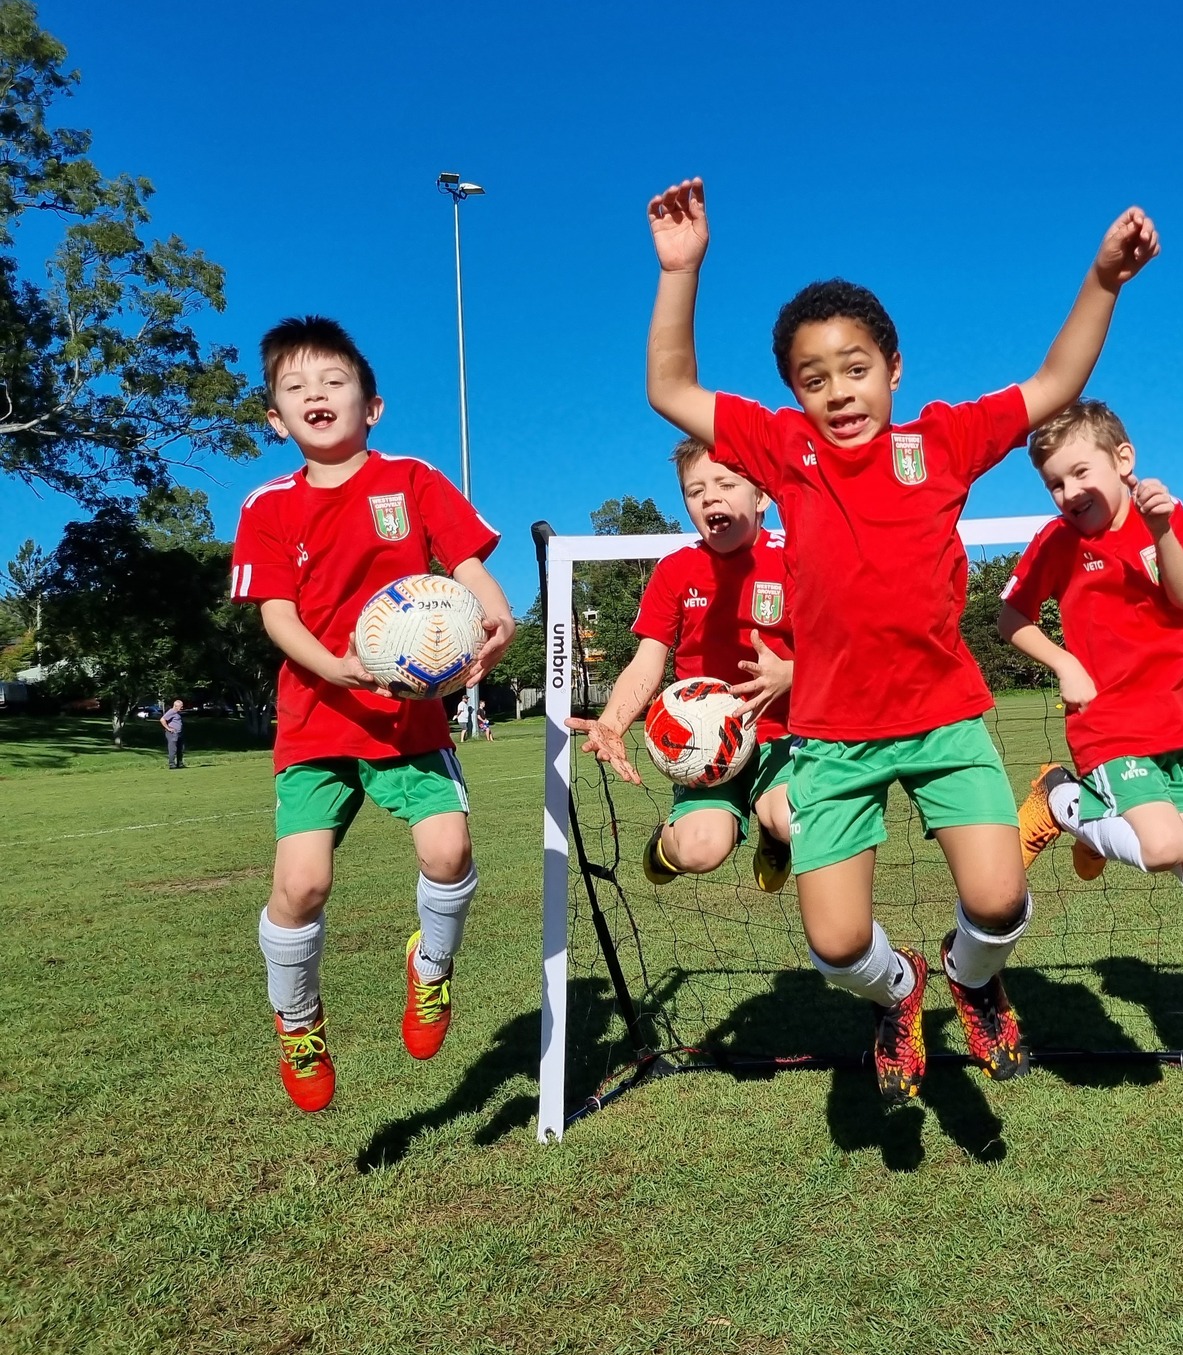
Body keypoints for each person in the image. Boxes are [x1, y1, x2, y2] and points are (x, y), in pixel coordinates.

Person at [640, 176, 1157, 1105]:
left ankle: (971, 975)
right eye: (813, 379)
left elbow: (1055, 384)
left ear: (893, 368)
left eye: (855, 368)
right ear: (792, 393)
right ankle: (901, 990)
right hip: (833, 738)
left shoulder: (943, 442)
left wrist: (1103, 280)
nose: (838, 392)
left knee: (999, 900)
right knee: (838, 947)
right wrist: (681, 269)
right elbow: (670, 386)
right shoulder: (783, 451)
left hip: (945, 719)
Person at [230, 315, 515, 1113]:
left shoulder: (412, 480)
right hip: (316, 722)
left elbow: (465, 565)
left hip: (406, 723)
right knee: (303, 884)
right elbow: (277, 613)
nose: (316, 394)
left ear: (373, 406)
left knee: (449, 851)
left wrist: (497, 615)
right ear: (276, 419)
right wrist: (332, 666)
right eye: (296, 387)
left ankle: (431, 968)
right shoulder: (268, 505)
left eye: (334, 380)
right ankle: (297, 1020)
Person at [1005, 400, 1183, 889]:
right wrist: (1065, 663)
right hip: (1109, 727)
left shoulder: (1167, 516)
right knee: (1164, 847)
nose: (1069, 492)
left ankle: (1091, 827)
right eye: (1054, 484)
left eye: (1080, 472)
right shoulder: (1056, 542)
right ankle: (1059, 801)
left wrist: (1161, 531)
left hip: (1177, 726)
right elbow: (1011, 619)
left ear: (1122, 459)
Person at [568, 437, 798, 894]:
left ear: (762, 497)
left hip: (783, 730)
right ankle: (665, 845)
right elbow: (647, 662)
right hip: (704, 740)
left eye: (726, 484)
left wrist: (792, 673)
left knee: (792, 820)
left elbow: (840, 646)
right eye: (696, 490)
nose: (710, 497)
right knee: (700, 850)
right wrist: (612, 723)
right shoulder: (676, 570)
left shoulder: (797, 557)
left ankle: (774, 834)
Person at [160, 698, 187, 769]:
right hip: (172, 734)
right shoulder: (171, 711)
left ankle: (180, 763)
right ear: (175, 706)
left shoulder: (177, 713)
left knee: (180, 748)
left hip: (179, 733)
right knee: (173, 749)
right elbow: (162, 719)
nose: (182, 708)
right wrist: (168, 728)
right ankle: (172, 764)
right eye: (181, 707)